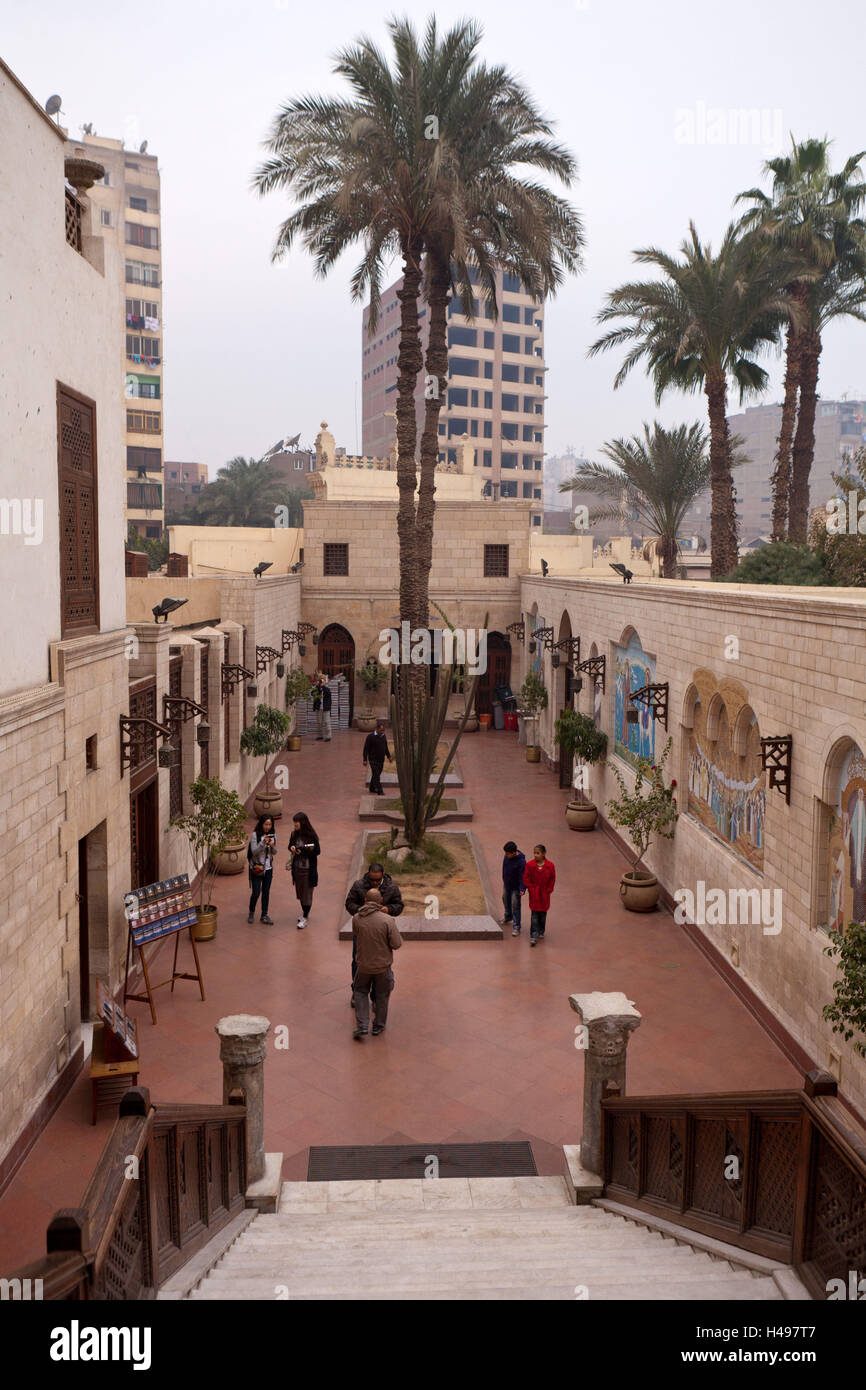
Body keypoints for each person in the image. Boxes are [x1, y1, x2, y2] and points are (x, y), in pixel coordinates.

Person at [345, 862, 404, 1005]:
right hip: (363, 932)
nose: (375, 882)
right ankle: (357, 991)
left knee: (381, 965)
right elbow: (349, 903)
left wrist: (388, 909)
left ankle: (377, 996)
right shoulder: (359, 886)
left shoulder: (391, 888)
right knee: (358, 961)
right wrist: (362, 911)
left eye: (378, 880)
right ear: (368, 875)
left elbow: (399, 906)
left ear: (382, 876)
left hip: (381, 933)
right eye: (372, 879)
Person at [352, 888, 403, 1040]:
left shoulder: (356, 918)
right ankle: (378, 1026)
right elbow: (396, 944)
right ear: (381, 901)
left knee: (360, 992)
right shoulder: (387, 920)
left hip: (363, 966)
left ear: (365, 901)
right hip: (382, 967)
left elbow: (356, 934)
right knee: (382, 995)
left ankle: (362, 1025)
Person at [286, 811, 320, 929]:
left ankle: (305, 916)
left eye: (297, 823)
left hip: (308, 870)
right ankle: (304, 913)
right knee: (300, 893)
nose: (295, 825)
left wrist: (304, 851)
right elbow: (290, 845)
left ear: (303, 823)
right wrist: (292, 848)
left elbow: (317, 850)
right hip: (297, 869)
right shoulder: (294, 834)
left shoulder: (311, 836)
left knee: (307, 894)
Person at [522, 843, 556, 946]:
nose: (536, 855)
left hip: (544, 894)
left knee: (542, 914)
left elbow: (552, 879)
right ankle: (533, 935)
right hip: (534, 894)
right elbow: (526, 878)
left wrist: (549, 890)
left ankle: (541, 930)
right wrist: (531, 888)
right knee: (534, 915)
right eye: (534, 853)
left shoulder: (550, 866)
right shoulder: (529, 865)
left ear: (544, 853)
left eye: (538, 853)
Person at [247, 815, 276, 925]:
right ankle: (251, 911)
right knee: (256, 891)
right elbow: (254, 851)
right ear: (261, 824)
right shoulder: (255, 835)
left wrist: (272, 846)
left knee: (266, 891)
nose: (267, 827)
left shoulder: (273, 836)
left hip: (268, 868)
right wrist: (263, 842)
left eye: (269, 824)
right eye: (265, 824)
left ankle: (264, 914)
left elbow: (275, 852)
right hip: (256, 868)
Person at [501, 840, 526, 936]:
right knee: (505, 899)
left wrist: (522, 888)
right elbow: (504, 868)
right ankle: (508, 916)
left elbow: (522, 876)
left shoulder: (521, 862)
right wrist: (504, 879)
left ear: (514, 853)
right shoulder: (506, 857)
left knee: (515, 905)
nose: (506, 855)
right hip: (507, 884)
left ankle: (516, 926)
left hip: (516, 887)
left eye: (508, 854)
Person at [363, 720, 391, 795]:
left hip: (381, 760)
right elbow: (366, 749)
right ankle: (380, 790)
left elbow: (385, 747)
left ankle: (372, 788)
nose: (383, 732)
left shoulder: (383, 736)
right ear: (377, 729)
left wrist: (389, 756)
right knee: (376, 775)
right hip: (373, 760)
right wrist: (365, 759)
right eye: (381, 730)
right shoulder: (370, 737)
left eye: (383, 730)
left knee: (377, 774)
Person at [313, 676, 332, 742]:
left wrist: (323, 686)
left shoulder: (327, 689)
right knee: (319, 722)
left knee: (327, 722)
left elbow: (328, 694)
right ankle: (320, 735)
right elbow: (312, 693)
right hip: (319, 708)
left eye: (322, 681)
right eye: (320, 681)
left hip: (325, 708)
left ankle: (328, 736)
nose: (321, 682)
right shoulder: (317, 689)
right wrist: (318, 686)